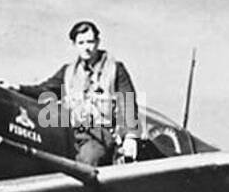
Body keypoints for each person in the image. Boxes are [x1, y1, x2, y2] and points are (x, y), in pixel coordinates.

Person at [15, 20, 141, 166]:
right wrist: (18, 88)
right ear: (74, 45)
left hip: (100, 134)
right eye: (81, 43)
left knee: (89, 158)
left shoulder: (115, 69)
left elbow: (128, 102)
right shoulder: (68, 72)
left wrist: (131, 137)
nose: (86, 47)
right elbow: (45, 91)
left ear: (98, 42)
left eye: (90, 42)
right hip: (71, 134)